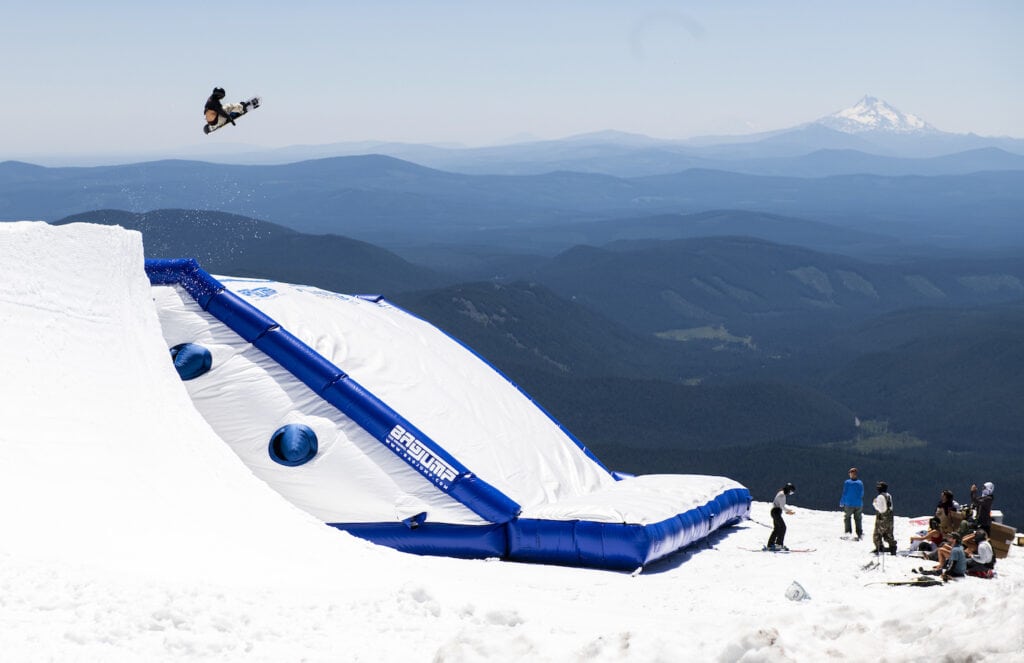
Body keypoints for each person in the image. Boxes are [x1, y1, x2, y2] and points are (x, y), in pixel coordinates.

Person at [765, 483, 796, 551]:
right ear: (788, 490)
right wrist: (788, 511)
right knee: (783, 527)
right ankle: (779, 544)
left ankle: (770, 545)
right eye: (791, 492)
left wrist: (787, 510)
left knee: (777, 529)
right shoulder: (782, 495)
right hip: (776, 512)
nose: (790, 493)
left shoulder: (781, 493)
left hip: (774, 511)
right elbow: (782, 506)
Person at [872, 480, 897, 555]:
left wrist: (874, 504)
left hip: (882, 518)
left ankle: (879, 547)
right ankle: (892, 546)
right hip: (890, 517)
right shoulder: (888, 495)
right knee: (889, 533)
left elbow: (881, 509)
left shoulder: (880, 496)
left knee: (877, 534)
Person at [839, 467, 864, 540]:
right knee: (858, 519)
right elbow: (862, 493)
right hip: (859, 504)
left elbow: (845, 493)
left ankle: (848, 533)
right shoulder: (860, 483)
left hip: (849, 503)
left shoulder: (847, 482)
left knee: (847, 518)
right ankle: (860, 533)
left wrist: (842, 502)